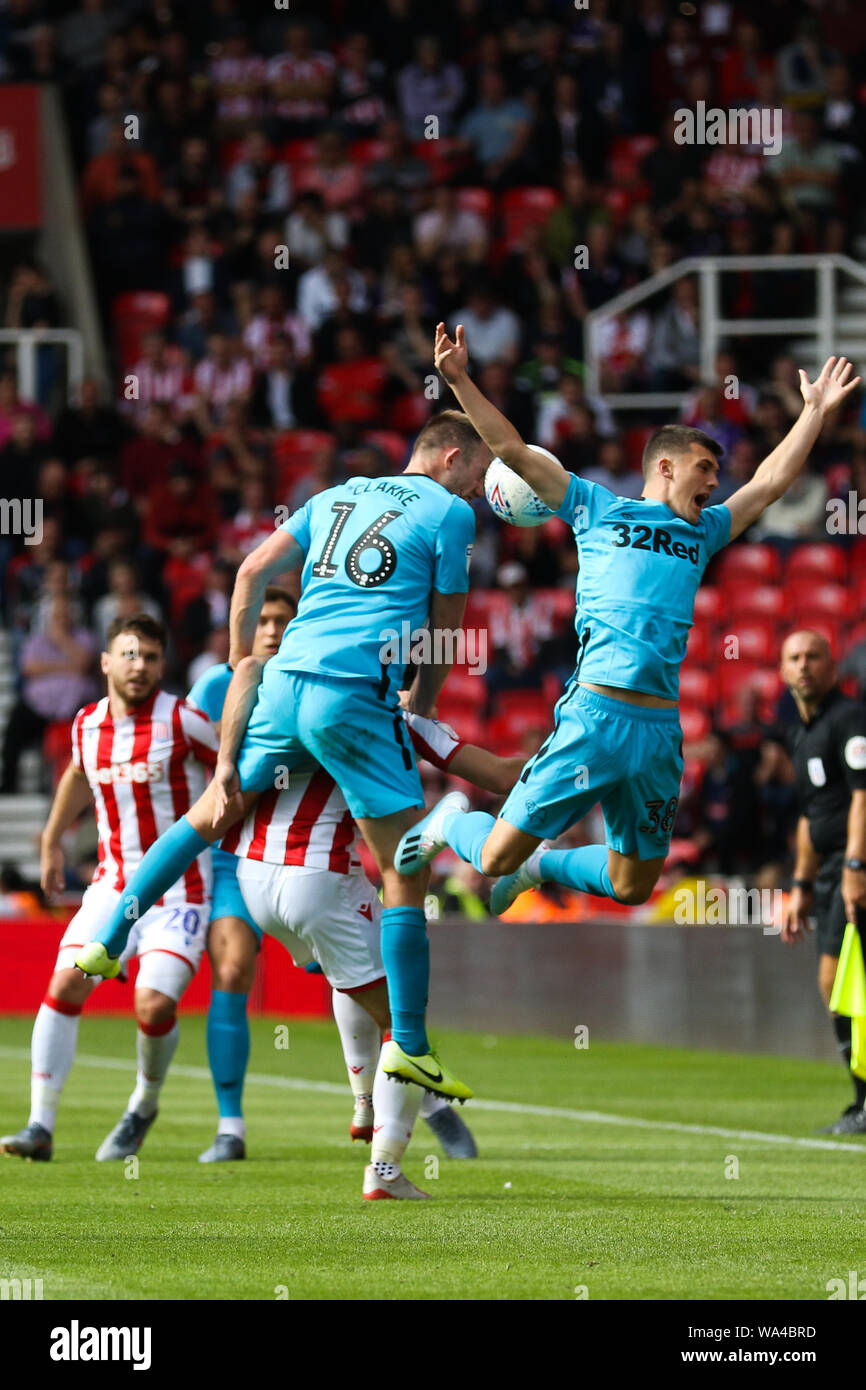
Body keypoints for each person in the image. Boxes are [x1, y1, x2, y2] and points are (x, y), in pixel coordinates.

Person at [73, 411, 489, 1103]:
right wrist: (423, 700)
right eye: (476, 476)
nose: (478, 491)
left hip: (286, 681)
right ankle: (411, 1046)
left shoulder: (338, 495)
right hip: (353, 694)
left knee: (212, 812)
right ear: (450, 458)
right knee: (403, 867)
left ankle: (111, 936)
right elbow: (445, 626)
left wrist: (243, 661)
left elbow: (251, 570)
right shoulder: (450, 513)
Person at [395, 326, 860, 927]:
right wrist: (458, 378)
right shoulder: (596, 507)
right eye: (705, 469)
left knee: (633, 884)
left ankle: (540, 868)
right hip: (596, 715)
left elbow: (769, 484)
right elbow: (511, 450)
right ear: (665, 466)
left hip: (659, 730)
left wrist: (814, 414)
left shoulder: (705, 530)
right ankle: (450, 819)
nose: (716, 483)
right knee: (491, 854)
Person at [0, 615, 218, 1161]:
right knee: (65, 984)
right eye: (128, 654)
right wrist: (52, 837)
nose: (138, 666)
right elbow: (77, 773)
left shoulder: (186, 721)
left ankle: (144, 1102)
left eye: (149, 657)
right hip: (112, 885)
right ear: (105, 662)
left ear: (162, 666)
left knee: (152, 1005)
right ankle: (39, 1127)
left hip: (179, 890)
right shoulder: (85, 725)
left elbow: (230, 780)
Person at [778, 630, 866, 1135]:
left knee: (843, 983)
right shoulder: (799, 734)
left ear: (833, 666)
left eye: (814, 656)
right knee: (837, 985)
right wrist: (800, 886)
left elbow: (862, 796)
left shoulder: (849, 720)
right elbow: (812, 815)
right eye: (795, 658)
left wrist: (855, 869)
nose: (804, 665)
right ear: (783, 671)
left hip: (855, 868)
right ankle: (861, 1103)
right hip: (829, 871)